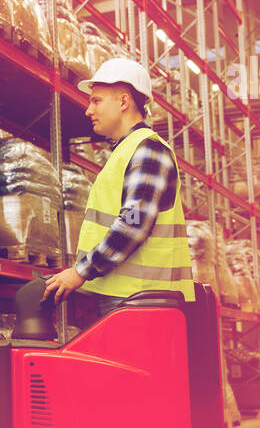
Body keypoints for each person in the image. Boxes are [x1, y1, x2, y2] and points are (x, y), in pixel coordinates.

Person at [14, 57, 194, 339]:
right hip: (129, 299)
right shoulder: (127, 151)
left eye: (96, 101)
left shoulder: (147, 150)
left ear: (123, 102)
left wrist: (81, 271)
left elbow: (133, 224)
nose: (88, 110)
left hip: (141, 302)